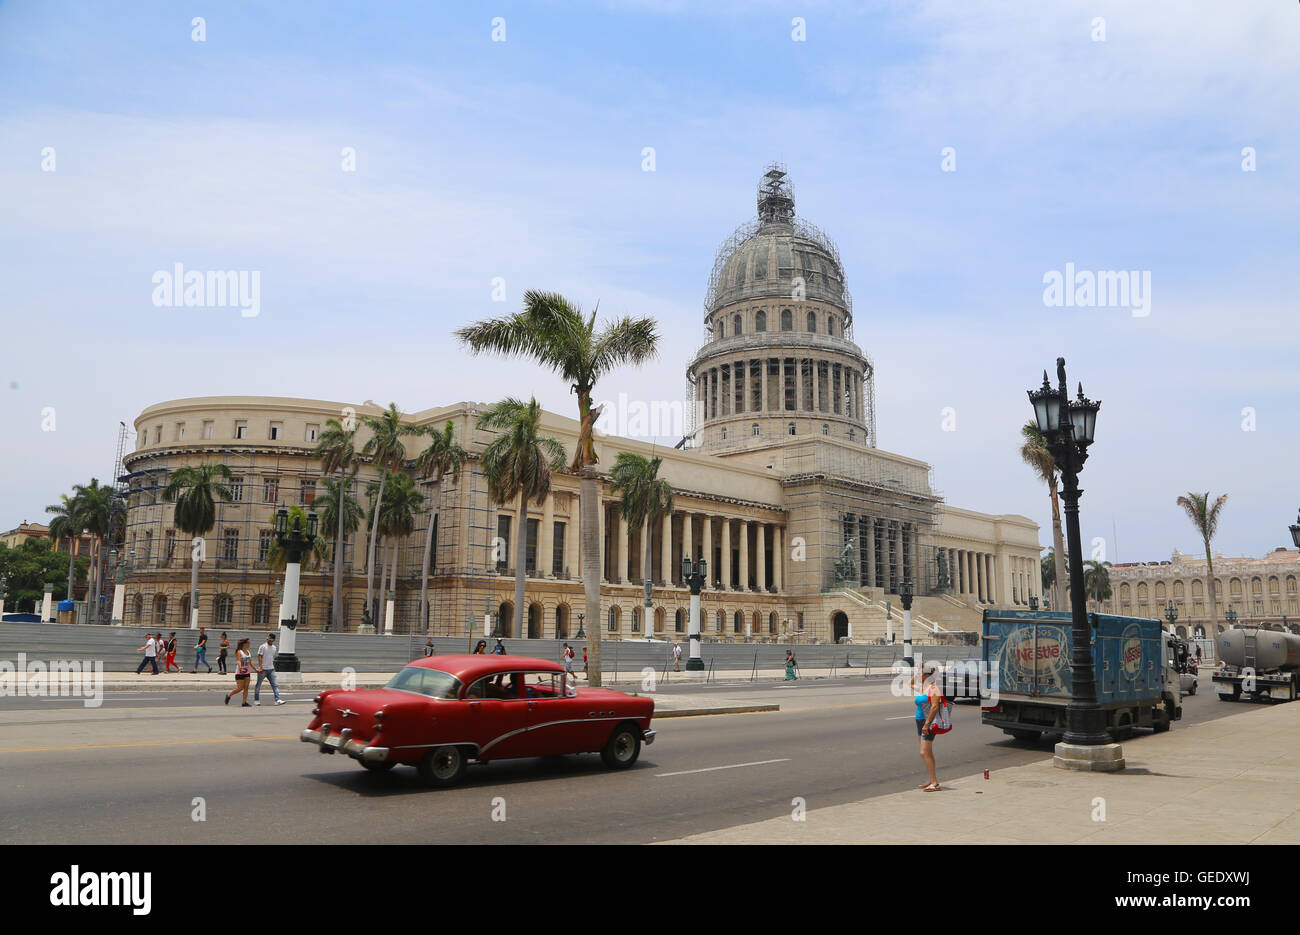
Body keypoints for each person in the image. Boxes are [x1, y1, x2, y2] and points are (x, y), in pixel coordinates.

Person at [914, 663, 943, 792]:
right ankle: (932, 780)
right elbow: (910, 684)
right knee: (927, 752)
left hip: (928, 723)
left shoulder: (934, 689)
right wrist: (918, 670)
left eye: (920, 673)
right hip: (920, 721)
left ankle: (935, 783)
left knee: (924, 752)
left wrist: (927, 724)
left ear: (926, 675)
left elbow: (935, 707)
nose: (918, 675)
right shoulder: (923, 688)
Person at [253, 633, 285, 705]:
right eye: (268, 638)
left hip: (271, 669)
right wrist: (260, 667)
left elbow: (271, 657)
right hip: (263, 669)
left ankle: (277, 700)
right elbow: (260, 657)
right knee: (258, 685)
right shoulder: (263, 646)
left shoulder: (274, 648)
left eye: (270, 638)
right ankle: (256, 700)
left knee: (275, 685)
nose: (268, 639)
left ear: (273, 640)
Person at [225, 638, 252, 706]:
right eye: (248, 643)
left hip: (247, 672)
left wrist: (256, 669)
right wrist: (240, 668)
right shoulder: (239, 651)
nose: (249, 644)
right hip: (240, 672)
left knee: (246, 688)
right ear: (244, 644)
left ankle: (244, 702)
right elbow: (239, 661)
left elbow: (250, 662)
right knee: (240, 688)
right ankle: (228, 695)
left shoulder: (248, 652)